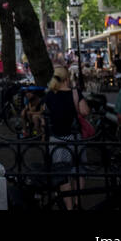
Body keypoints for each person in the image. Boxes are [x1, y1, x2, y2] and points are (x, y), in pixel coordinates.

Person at [44, 64, 90, 209]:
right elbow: (85, 112)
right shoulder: (75, 93)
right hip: (73, 137)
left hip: (57, 139)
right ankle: (77, 201)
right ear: (67, 78)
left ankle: (69, 206)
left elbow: (45, 115)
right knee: (78, 171)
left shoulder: (50, 95)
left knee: (62, 175)